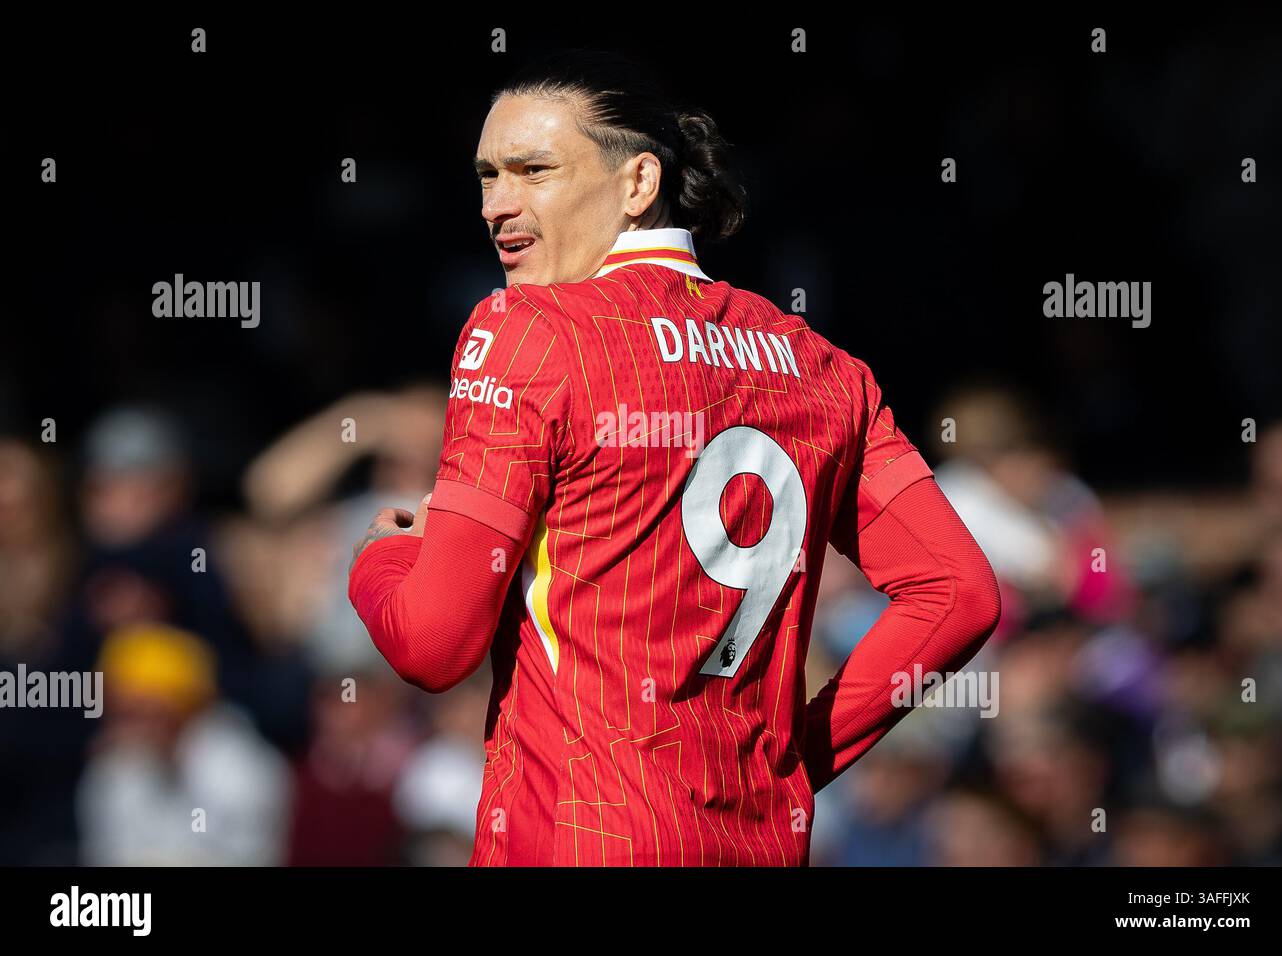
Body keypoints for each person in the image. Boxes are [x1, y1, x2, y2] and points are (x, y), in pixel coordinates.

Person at [348, 50, 1000, 866]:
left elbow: (432, 645)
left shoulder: (526, 332)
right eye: (487, 176)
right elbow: (958, 594)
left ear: (638, 182)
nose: (496, 205)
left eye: (533, 171)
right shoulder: (822, 366)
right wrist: (790, 768)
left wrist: (379, 560)